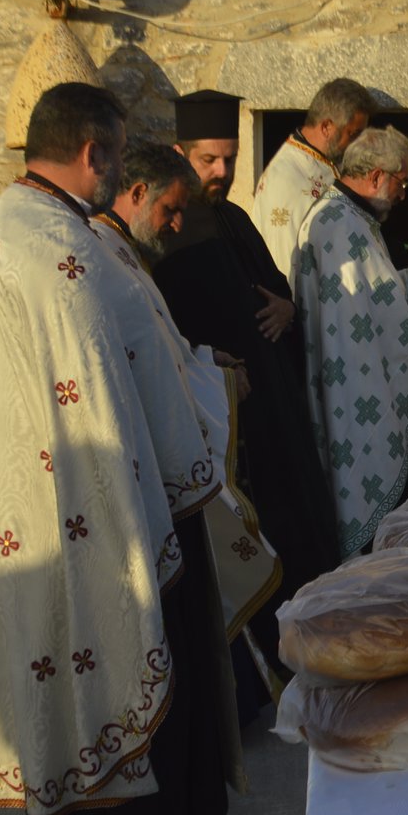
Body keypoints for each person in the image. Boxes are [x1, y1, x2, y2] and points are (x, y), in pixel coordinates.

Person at [0, 83, 239, 815]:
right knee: (96, 649)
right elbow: (107, 392)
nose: (117, 176)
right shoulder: (59, 251)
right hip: (77, 504)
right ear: (93, 153)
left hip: (36, 503)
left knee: (61, 660)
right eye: (117, 156)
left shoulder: (20, 227)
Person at [151, 90, 339, 708]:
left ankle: (309, 655)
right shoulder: (166, 235)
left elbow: (276, 287)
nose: (221, 173)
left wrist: (287, 307)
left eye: (229, 160)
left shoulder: (233, 219)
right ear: (181, 154)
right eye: (208, 160)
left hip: (272, 417)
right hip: (219, 423)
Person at [294, 126, 408, 559]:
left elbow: (376, 295)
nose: (403, 194)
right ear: (377, 176)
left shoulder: (349, 219)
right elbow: (381, 311)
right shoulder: (341, 224)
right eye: (402, 182)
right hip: (359, 393)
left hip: (357, 384)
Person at [255, 78, 375, 279]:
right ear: (327, 127)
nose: (357, 144)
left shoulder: (322, 161)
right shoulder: (287, 180)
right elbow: (287, 266)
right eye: (353, 134)